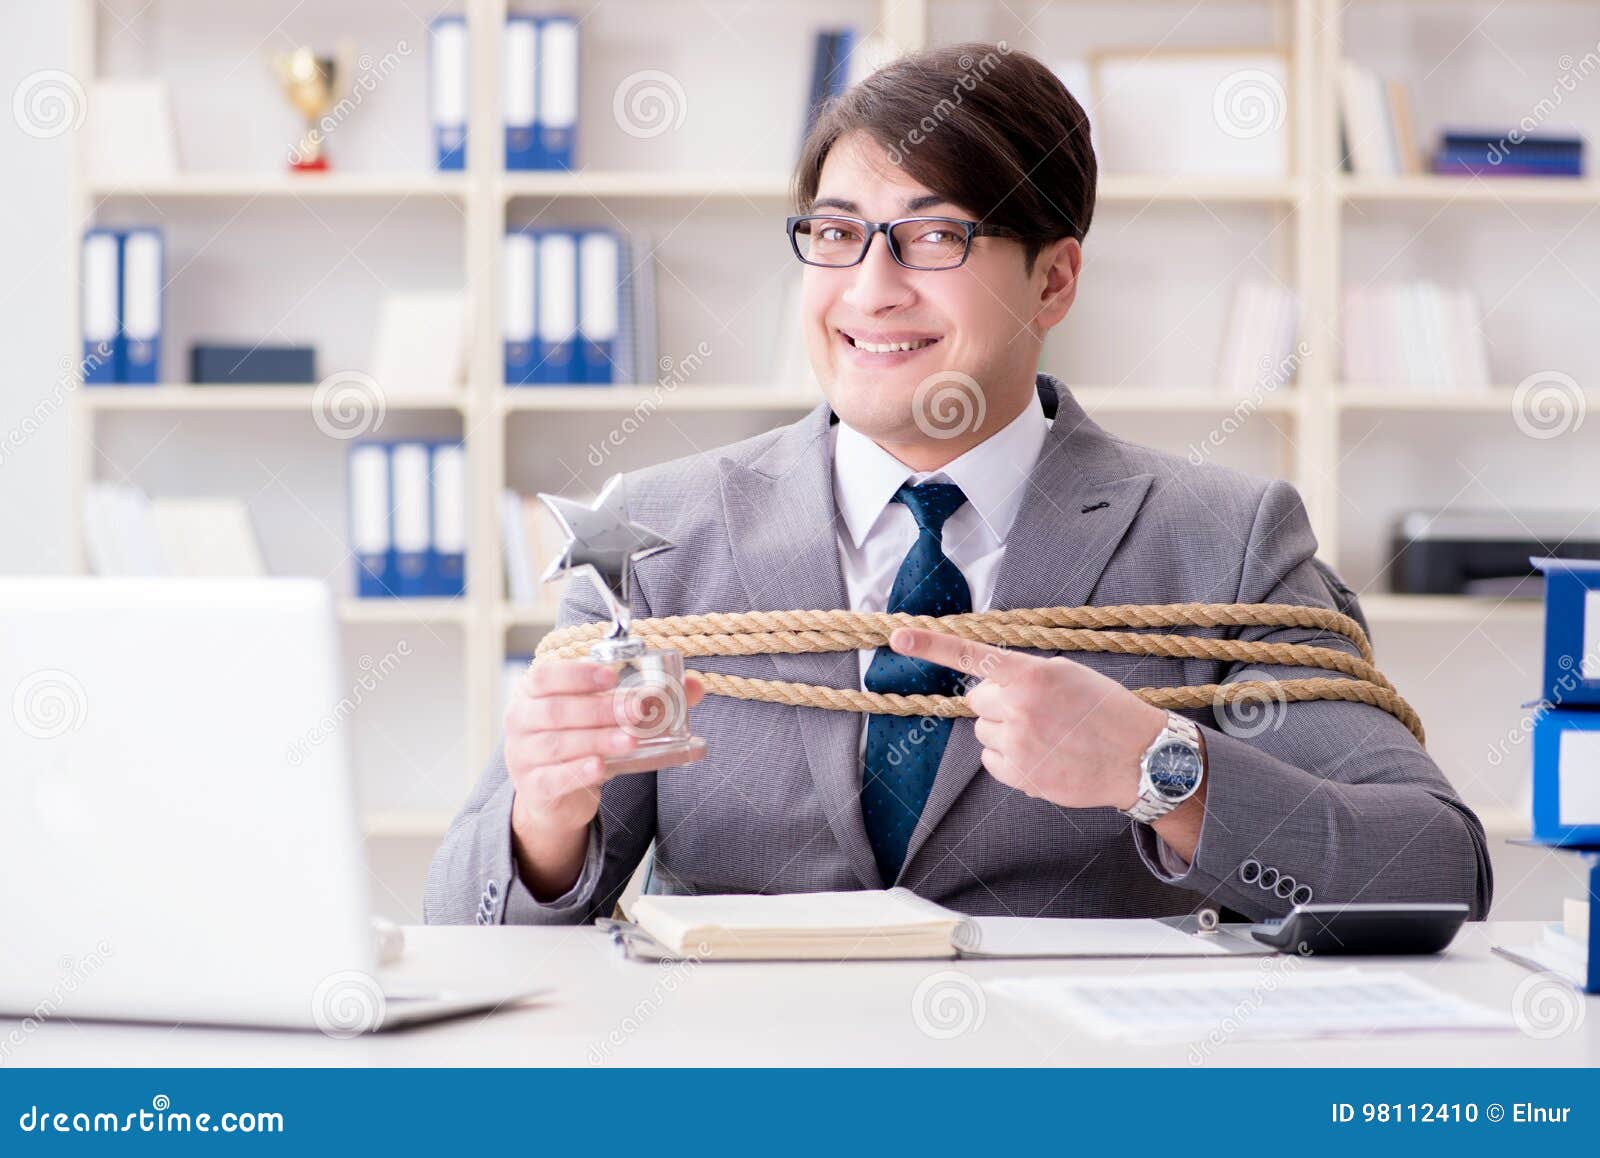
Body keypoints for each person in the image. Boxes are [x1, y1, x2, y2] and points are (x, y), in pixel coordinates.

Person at [426, 44, 1491, 927]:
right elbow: (466, 926)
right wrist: (545, 825)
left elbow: (1434, 877)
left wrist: (1166, 769)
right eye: (837, 234)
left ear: (1054, 278)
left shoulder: (1225, 541)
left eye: (935, 236)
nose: (870, 289)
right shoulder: (654, 541)